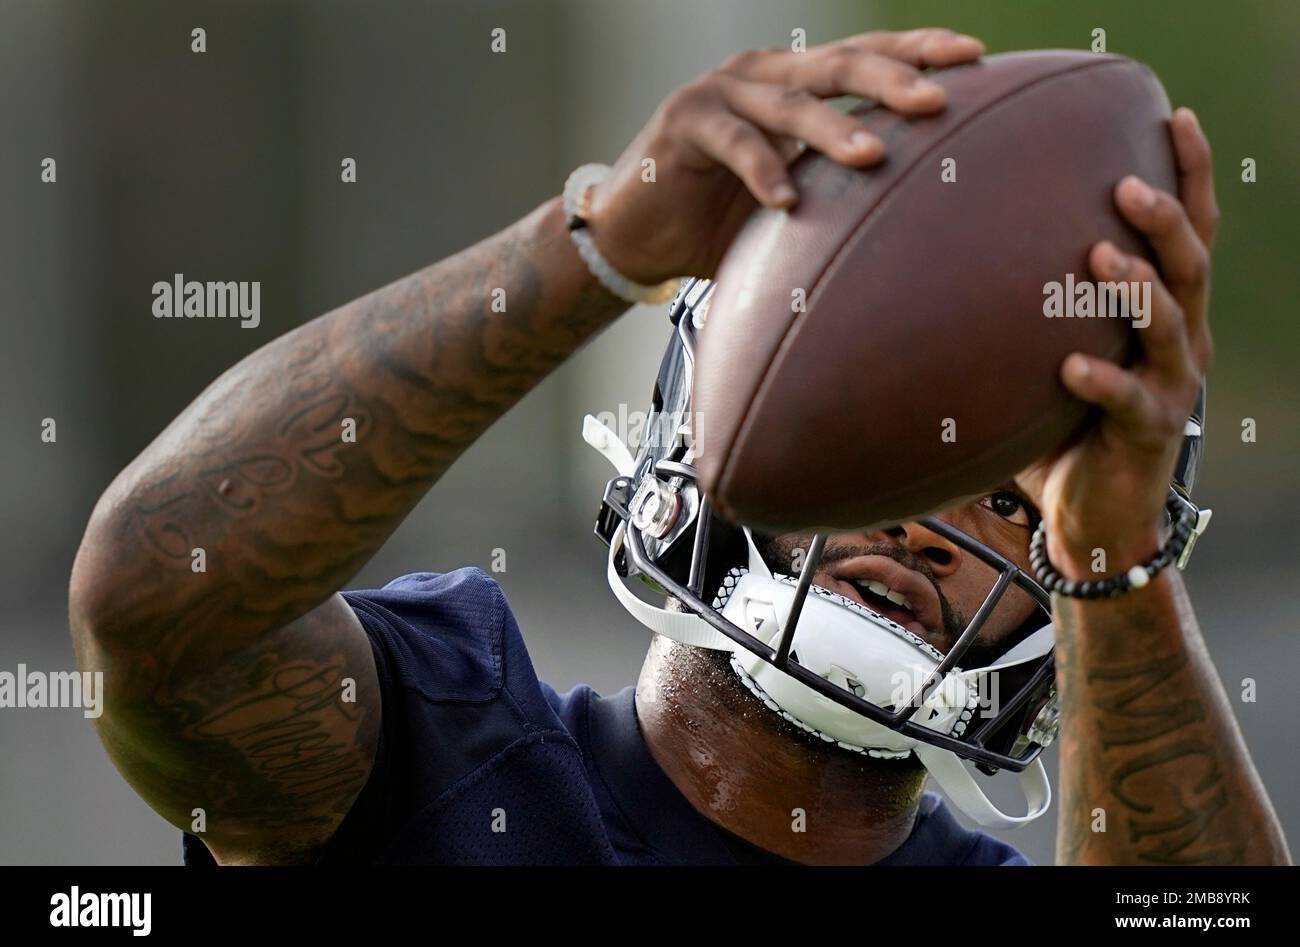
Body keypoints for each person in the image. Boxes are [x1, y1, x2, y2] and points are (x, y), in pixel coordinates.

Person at [69, 28, 1289, 865]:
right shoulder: (431, 752)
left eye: (1008, 503)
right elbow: (153, 597)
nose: (925, 522)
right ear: (712, 417)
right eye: (891, 449)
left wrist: (1121, 556)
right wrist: (595, 248)